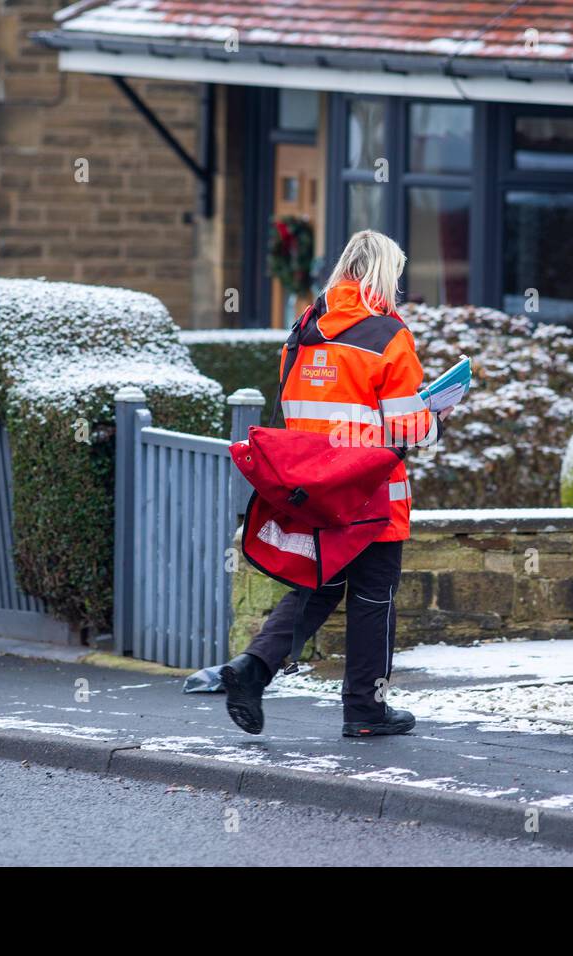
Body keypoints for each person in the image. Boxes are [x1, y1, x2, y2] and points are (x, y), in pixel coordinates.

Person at [220, 230, 443, 738]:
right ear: (386, 274)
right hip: (369, 491)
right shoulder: (387, 334)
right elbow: (409, 428)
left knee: (320, 583)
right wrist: (437, 414)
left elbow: (296, 407)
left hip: (313, 487)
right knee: (373, 598)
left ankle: (254, 667)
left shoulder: (303, 329)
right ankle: (365, 710)